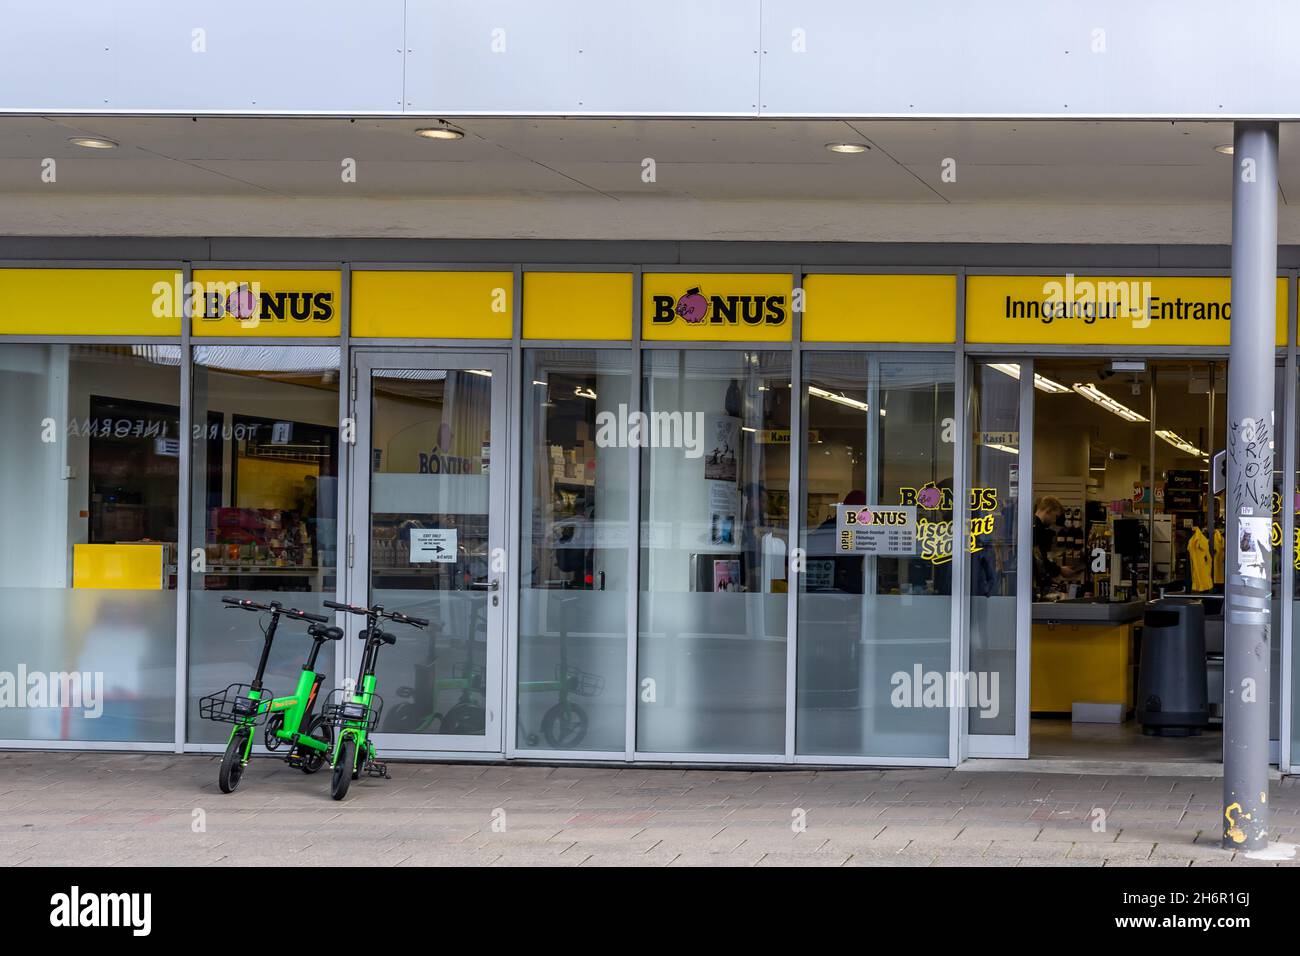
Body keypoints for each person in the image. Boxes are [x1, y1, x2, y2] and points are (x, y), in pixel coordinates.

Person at [1032, 496, 1078, 600]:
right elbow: (1040, 561)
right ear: (1048, 510)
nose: (1054, 521)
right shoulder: (1037, 530)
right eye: (1055, 516)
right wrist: (1059, 570)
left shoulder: (1035, 527)